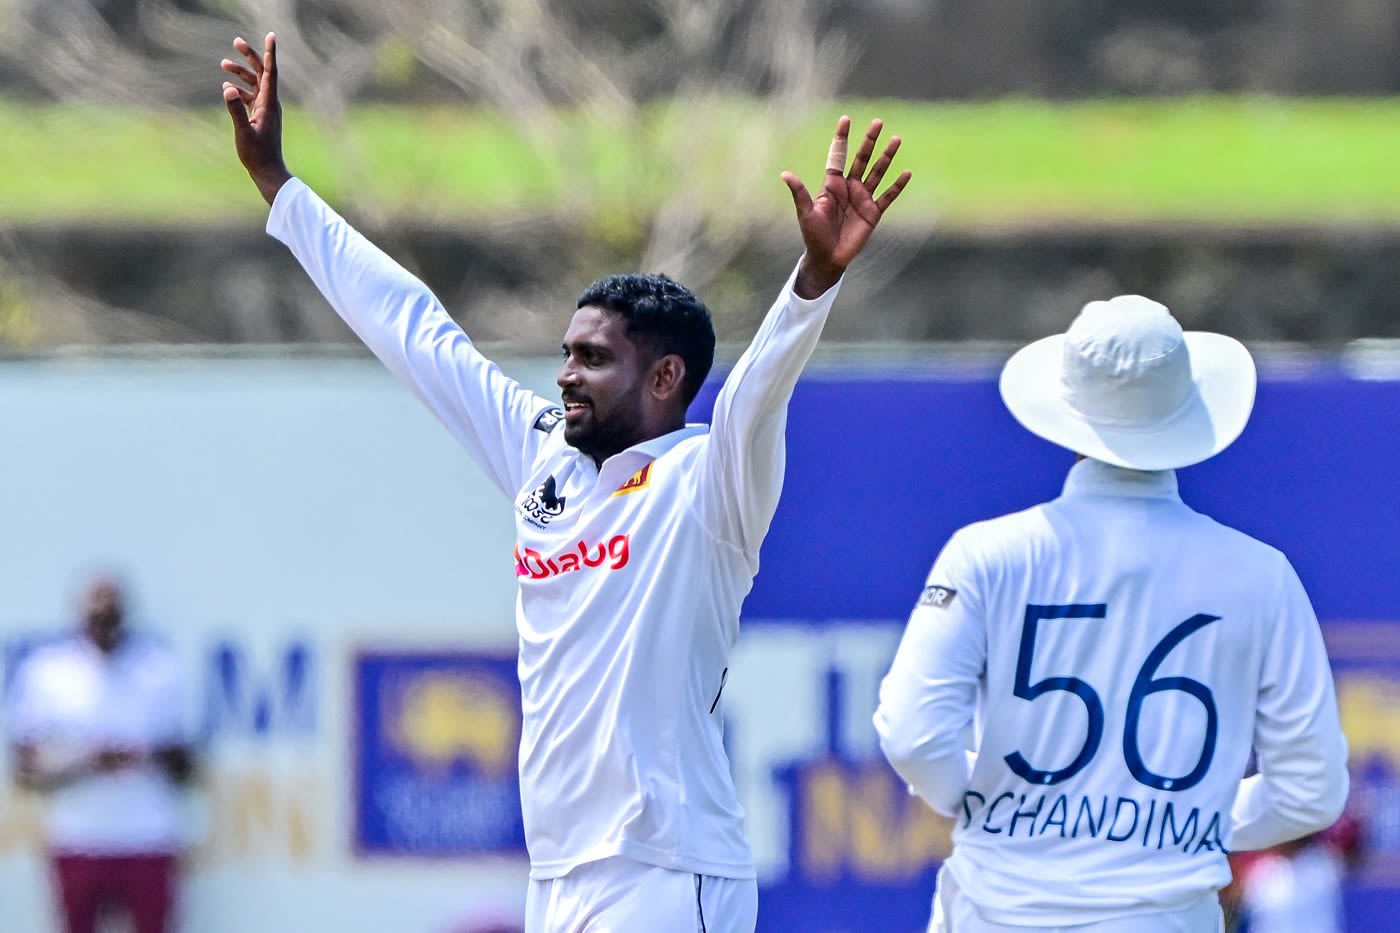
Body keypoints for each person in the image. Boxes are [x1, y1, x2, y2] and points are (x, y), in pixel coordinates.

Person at [220, 31, 910, 933]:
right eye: (566, 354)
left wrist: (812, 280)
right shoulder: (541, 455)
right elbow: (414, 329)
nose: (566, 375)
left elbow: (756, 396)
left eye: (592, 358)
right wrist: (281, 186)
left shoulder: (710, 486)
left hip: (666, 869)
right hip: (557, 874)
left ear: (665, 378)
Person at [873, 296, 1350, 932]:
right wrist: (1188, 817)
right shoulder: (1264, 576)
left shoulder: (986, 554)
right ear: (1186, 411)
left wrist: (986, 802)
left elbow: (912, 735)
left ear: (1068, 411)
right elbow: (1310, 790)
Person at [5, 576, 198, 933]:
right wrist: (86, 761)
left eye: (112, 617)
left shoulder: (159, 671)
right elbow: (25, 769)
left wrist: (143, 756)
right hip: (78, 836)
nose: (105, 627)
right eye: (97, 617)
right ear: (80, 618)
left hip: (146, 835)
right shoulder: (49, 673)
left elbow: (187, 766)